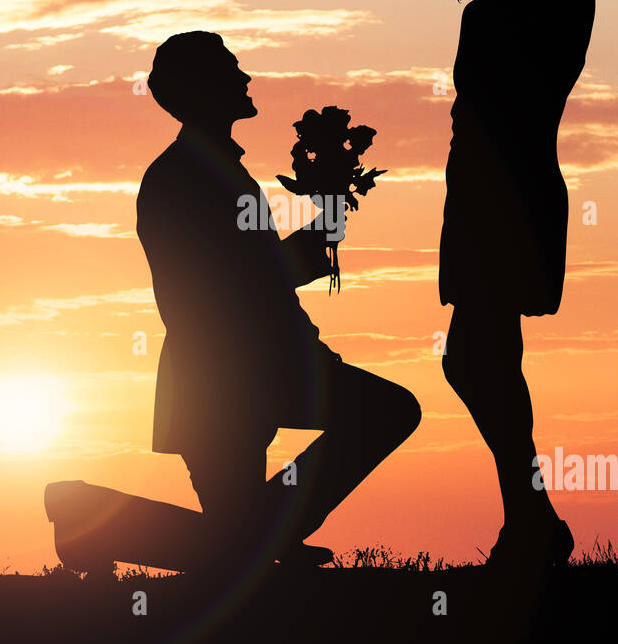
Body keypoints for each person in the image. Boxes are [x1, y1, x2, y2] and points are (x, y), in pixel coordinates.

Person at [137, 30, 420, 573]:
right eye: (230, 69)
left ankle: (260, 536)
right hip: (226, 376)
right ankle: (253, 536)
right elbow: (225, 287)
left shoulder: (206, 170)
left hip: (243, 371)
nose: (245, 78)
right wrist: (301, 256)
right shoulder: (185, 176)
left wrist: (330, 212)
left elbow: (251, 278)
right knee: (236, 548)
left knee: (236, 543)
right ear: (203, 89)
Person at [437, 0, 595, 571]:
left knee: (476, 356)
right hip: (505, 190)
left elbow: (489, 107)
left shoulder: (524, 0)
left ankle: (531, 517)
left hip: (501, 194)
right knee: (482, 355)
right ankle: (529, 518)